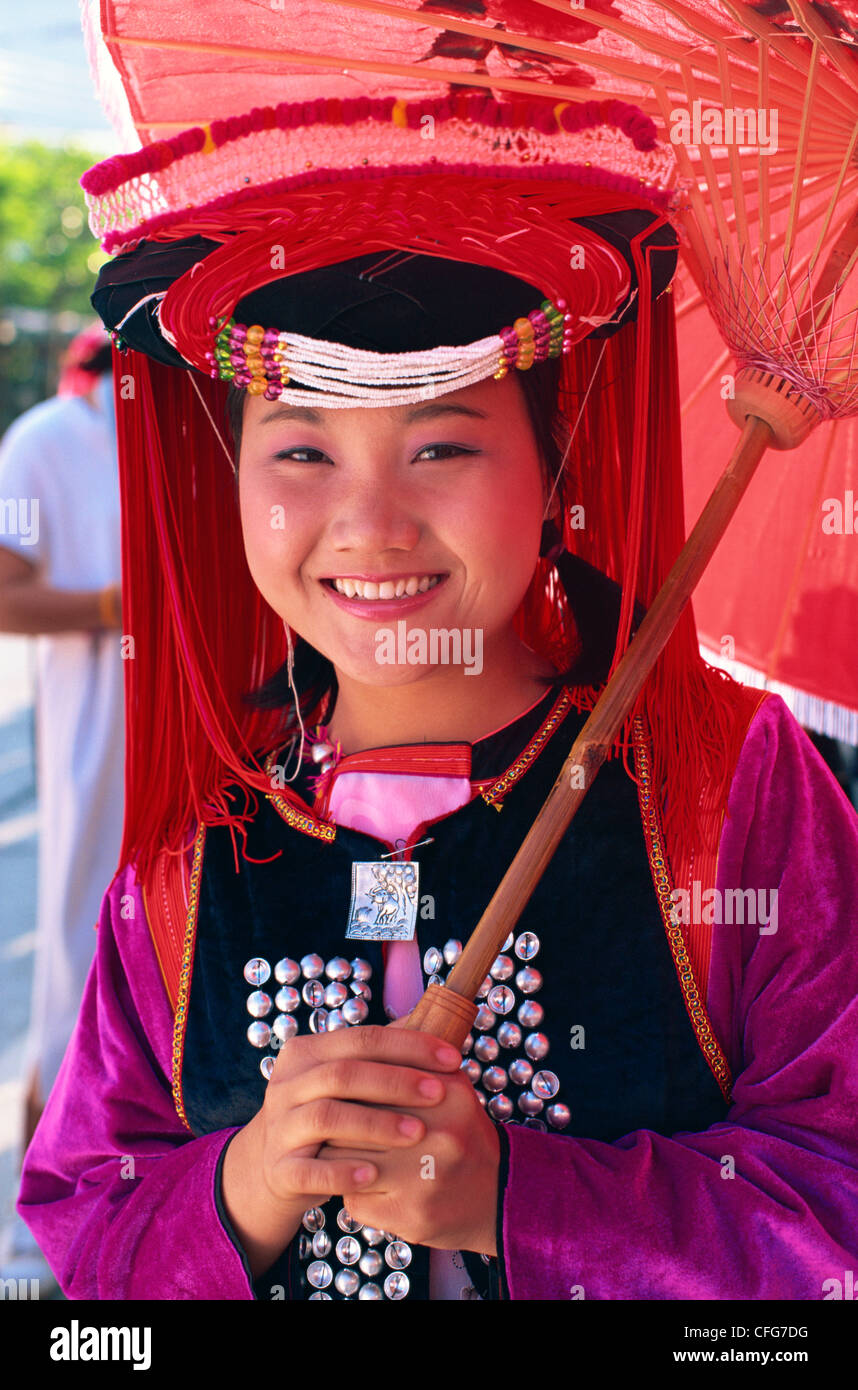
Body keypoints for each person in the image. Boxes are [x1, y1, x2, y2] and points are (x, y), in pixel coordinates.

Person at [16, 88, 858, 1300]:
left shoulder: (730, 786)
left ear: (552, 464)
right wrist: (245, 1188)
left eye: (442, 445)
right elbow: (89, 1230)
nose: (369, 526)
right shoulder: (192, 857)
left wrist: (524, 1202)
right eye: (301, 450)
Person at [0, 324, 123, 1286]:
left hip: (198, 739)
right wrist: (111, 611)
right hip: (92, 743)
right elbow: (4, 591)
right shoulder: (43, 443)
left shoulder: (196, 433)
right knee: (73, 964)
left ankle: (125, 1209)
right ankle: (37, 1219)